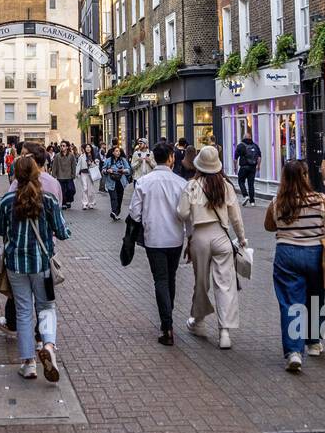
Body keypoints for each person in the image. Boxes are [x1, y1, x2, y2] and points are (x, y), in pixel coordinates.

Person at [0, 156, 70, 380]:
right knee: (46, 307)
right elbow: (62, 231)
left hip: (16, 264)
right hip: (42, 263)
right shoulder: (48, 200)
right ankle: (48, 346)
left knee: (23, 311)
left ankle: (28, 362)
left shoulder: (7, 201)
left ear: (15, 175)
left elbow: (0, 230)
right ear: (38, 173)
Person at [265, 159, 325, 372]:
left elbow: (268, 226)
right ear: (306, 176)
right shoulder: (320, 200)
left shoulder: (277, 201)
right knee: (316, 298)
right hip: (315, 253)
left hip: (286, 254)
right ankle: (314, 342)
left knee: (290, 303)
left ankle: (294, 352)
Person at [178, 145, 247, 350]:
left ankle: (198, 321)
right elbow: (235, 216)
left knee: (201, 282)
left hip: (200, 236)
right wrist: (242, 238)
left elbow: (181, 213)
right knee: (225, 283)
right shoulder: (225, 186)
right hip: (221, 236)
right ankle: (224, 331)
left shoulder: (191, 186)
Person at [0, 142, 62, 336]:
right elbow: (59, 224)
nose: (20, 158)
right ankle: (46, 342)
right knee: (45, 303)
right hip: (44, 250)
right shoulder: (52, 185)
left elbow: (3, 226)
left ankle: (28, 361)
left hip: (17, 252)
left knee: (22, 305)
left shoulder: (13, 191)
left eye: (25, 156)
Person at [130, 142, 187, 346]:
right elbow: (186, 214)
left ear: (154, 158)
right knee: (170, 277)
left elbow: (134, 213)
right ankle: (167, 319)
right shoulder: (181, 183)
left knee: (160, 279)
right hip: (175, 237)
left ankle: (167, 324)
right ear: (171, 157)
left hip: (154, 237)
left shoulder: (144, 182)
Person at [101, 145, 132, 221]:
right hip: (111, 182)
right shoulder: (108, 160)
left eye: (119, 151)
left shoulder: (123, 160)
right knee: (113, 198)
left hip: (120, 182)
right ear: (113, 152)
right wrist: (107, 170)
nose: (118, 152)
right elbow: (103, 170)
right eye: (116, 151)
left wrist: (122, 170)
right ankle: (114, 212)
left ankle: (116, 213)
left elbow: (128, 170)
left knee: (119, 198)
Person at [233, 130, 262, 206]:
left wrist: (235, 167)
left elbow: (235, 158)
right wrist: (258, 166)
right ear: (250, 138)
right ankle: (252, 202)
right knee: (251, 184)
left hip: (243, 167)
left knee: (241, 181)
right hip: (253, 167)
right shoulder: (255, 146)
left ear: (244, 138)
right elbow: (259, 157)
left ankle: (245, 195)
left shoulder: (240, 146)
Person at [50, 141, 77, 209]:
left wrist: (73, 174)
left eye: (64, 146)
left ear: (67, 147)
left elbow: (73, 166)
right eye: (61, 146)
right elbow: (54, 166)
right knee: (62, 191)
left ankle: (69, 200)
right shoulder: (57, 156)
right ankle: (64, 203)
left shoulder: (71, 155)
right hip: (60, 176)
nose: (62, 147)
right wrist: (53, 175)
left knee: (71, 190)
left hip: (69, 176)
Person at [76, 144, 99, 210]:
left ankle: (91, 203)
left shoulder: (94, 157)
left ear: (91, 148)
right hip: (84, 173)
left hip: (91, 173)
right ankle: (85, 204)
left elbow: (97, 165)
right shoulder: (82, 156)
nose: (88, 148)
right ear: (85, 148)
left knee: (91, 189)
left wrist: (93, 163)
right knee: (85, 188)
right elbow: (78, 165)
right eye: (87, 147)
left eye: (89, 147)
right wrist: (77, 173)